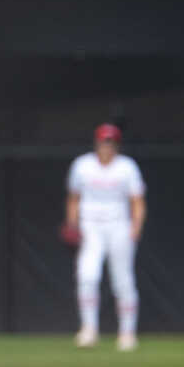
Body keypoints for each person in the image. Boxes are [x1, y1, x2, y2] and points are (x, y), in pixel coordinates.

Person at [65, 123, 146, 351]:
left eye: (110, 142)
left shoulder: (127, 167)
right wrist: (72, 224)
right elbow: (74, 198)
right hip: (90, 227)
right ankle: (89, 330)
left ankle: (127, 333)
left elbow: (137, 200)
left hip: (119, 226)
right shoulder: (82, 165)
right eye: (103, 142)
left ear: (117, 145)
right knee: (87, 276)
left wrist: (136, 226)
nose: (106, 146)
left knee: (123, 281)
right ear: (96, 143)